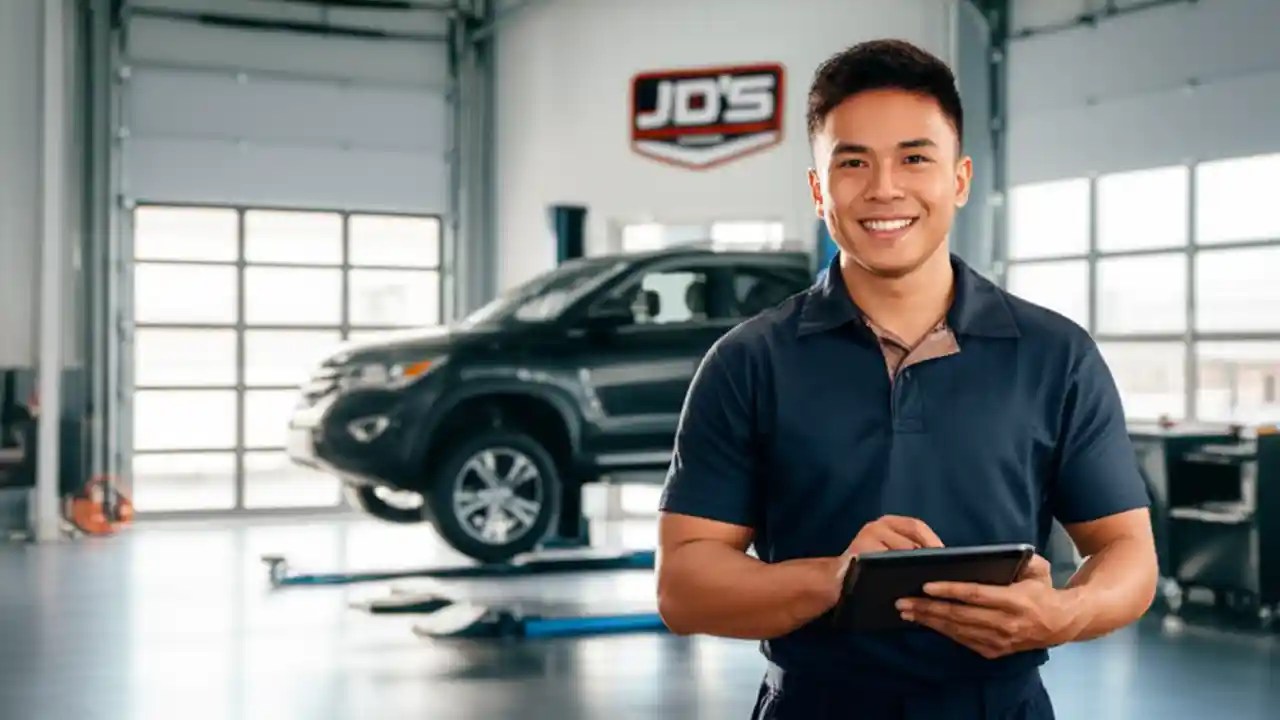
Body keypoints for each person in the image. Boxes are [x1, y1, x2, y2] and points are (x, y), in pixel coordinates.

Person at [654, 39, 1158, 719]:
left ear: (959, 179)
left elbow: (1127, 551)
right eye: (853, 162)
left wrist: (1063, 614)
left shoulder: (1054, 353)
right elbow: (684, 585)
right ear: (818, 190)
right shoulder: (748, 363)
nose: (884, 188)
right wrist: (836, 579)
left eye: (914, 158)